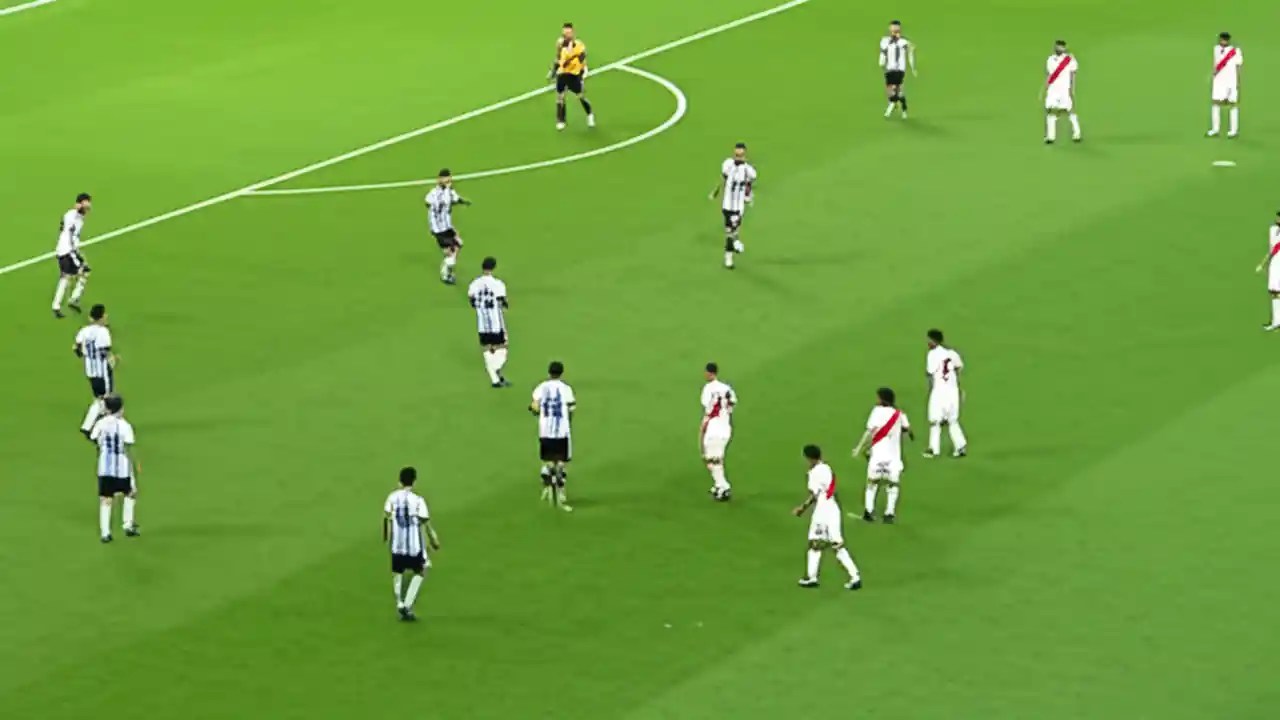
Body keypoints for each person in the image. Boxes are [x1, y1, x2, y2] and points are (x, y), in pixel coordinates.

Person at [793, 445, 862, 590]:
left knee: (815, 543)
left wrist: (802, 508)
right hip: (833, 508)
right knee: (836, 544)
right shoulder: (827, 468)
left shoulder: (813, 473)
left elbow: (815, 495)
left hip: (823, 509)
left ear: (809, 458)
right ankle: (854, 576)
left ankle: (812, 577)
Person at [383, 467, 440, 622]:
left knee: (398, 572)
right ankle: (407, 605)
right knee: (422, 570)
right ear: (414, 481)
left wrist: (387, 537)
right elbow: (426, 524)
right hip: (414, 547)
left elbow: (387, 517)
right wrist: (434, 540)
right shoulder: (418, 500)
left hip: (397, 545)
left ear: (399, 480)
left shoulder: (392, 498)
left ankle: (399, 603)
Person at [852, 387, 913, 523]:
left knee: (872, 484)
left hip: (878, 456)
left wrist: (859, 449)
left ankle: (869, 512)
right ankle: (889, 514)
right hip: (893, 457)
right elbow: (907, 429)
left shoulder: (876, 412)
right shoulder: (899, 414)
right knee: (892, 486)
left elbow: (869, 432)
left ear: (882, 399)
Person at [89, 394, 139, 543]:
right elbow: (129, 444)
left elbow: (93, 437)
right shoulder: (125, 425)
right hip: (122, 467)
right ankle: (128, 525)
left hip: (105, 467)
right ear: (121, 409)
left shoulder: (101, 423)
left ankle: (105, 533)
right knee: (130, 493)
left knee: (105, 499)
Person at [531, 361, 576, 511]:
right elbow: (571, 409)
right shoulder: (566, 389)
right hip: (562, 432)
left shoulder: (541, 388)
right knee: (561, 464)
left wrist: (538, 412)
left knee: (549, 462)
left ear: (549, 372)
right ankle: (560, 496)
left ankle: (547, 482)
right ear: (561, 372)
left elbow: (534, 406)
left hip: (545, 431)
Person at [709, 143, 756, 269]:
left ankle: (730, 251)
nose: (738, 157)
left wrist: (748, 196)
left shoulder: (748, 169)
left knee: (731, 231)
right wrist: (715, 191)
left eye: (741, 155)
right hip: (728, 204)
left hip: (739, 206)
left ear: (744, 154)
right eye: (737, 154)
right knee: (730, 231)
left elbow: (749, 184)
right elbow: (722, 179)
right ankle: (731, 251)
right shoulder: (728, 164)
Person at [73, 303, 116, 439]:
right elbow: (104, 350)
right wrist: (112, 359)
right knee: (106, 398)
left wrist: (86, 355)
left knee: (99, 399)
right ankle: (97, 428)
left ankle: (88, 426)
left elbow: (76, 348)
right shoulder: (103, 331)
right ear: (101, 316)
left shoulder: (84, 331)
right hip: (102, 371)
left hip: (90, 371)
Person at [467, 257, 511, 387]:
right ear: (493, 267)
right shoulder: (498, 284)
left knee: (488, 348)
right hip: (496, 322)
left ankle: (495, 379)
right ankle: (495, 370)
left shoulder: (474, 283)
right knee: (502, 346)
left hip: (482, 323)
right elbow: (502, 301)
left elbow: (471, 299)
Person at [924, 329, 967, 458]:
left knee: (935, 421)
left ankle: (933, 449)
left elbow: (930, 373)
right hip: (953, 391)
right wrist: (958, 385)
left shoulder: (932, 354)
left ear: (934, 341)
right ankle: (960, 447)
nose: (928, 343)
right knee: (952, 420)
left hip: (939, 391)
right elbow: (959, 367)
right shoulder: (952, 353)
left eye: (929, 340)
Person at [424, 169, 471, 285]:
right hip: (439, 229)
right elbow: (428, 202)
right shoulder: (434, 193)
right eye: (446, 179)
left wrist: (463, 202)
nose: (449, 181)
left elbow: (455, 199)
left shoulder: (449, 191)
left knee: (457, 245)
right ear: (439, 179)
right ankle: (445, 272)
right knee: (454, 248)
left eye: (449, 179)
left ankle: (448, 265)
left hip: (446, 226)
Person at [699, 362, 737, 501]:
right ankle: (718, 485)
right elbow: (732, 403)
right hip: (726, 428)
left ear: (709, 373)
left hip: (713, 429)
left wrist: (703, 426)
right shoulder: (726, 388)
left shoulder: (708, 389)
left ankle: (723, 486)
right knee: (716, 460)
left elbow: (707, 408)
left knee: (712, 460)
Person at [52, 193, 93, 319]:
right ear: (80, 203)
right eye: (86, 202)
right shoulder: (72, 215)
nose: (89, 205)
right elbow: (70, 229)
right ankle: (72, 300)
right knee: (84, 272)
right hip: (68, 251)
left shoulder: (80, 218)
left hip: (67, 250)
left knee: (66, 277)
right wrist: (76, 254)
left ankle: (57, 306)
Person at [549, 22, 595, 131]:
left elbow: (581, 58)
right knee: (560, 97)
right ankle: (561, 120)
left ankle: (590, 115)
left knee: (580, 96)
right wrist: (553, 72)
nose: (567, 35)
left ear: (573, 33)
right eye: (565, 33)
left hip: (574, 75)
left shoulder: (579, 45)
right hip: (563, 74)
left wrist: (583, 70)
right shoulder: (560, 45)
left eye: (569, 33)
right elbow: (559, 60)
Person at [1042, 40, 1081, 144]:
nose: (1059, 49)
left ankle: (1077, 133)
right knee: (1051, 110)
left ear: (1064, 48)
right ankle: (1051, 136)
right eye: (1057, 47)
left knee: (1069, 110)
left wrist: (1072, 88)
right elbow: (1049, 74)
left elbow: (1073, 74)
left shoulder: (1070, 60)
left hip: (1064, 89)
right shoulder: (1050, 59)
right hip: (1053, 89)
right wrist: (1046, 86)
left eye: (1061, 47)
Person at [1208, 32, 1243, 139]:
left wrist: (1238, 81)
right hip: (1219, 81)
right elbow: (1216, 64)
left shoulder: (1235, 51)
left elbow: (1238, 66)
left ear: (1228, 40)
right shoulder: (1216, 49)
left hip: (1231, 81)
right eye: (1222, 39)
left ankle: (1233, 130)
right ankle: (1215, 129)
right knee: (1215, 103)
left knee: (1232, 104)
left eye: (1225, 40)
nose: (1223, 41)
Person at [878, 20, 916, 119]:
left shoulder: (904, 41)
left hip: (899, 69)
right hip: (889, 68)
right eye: (892, 27)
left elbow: (910, 54)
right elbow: (883, 53)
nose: (894, 29)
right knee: (893, 92)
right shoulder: (884, 40)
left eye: (896, 28)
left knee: (895, 89)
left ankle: (891, 105)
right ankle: (902, 107)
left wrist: (912, 67)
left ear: (899, 29)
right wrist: (881, 61)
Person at [1256, 211, 1280, 331]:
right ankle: (1276, 321)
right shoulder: (1274, 230)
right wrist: (1263, 264)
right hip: (1275, 264)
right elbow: (1272, 250)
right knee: (1274, 292)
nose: (1277, 218)